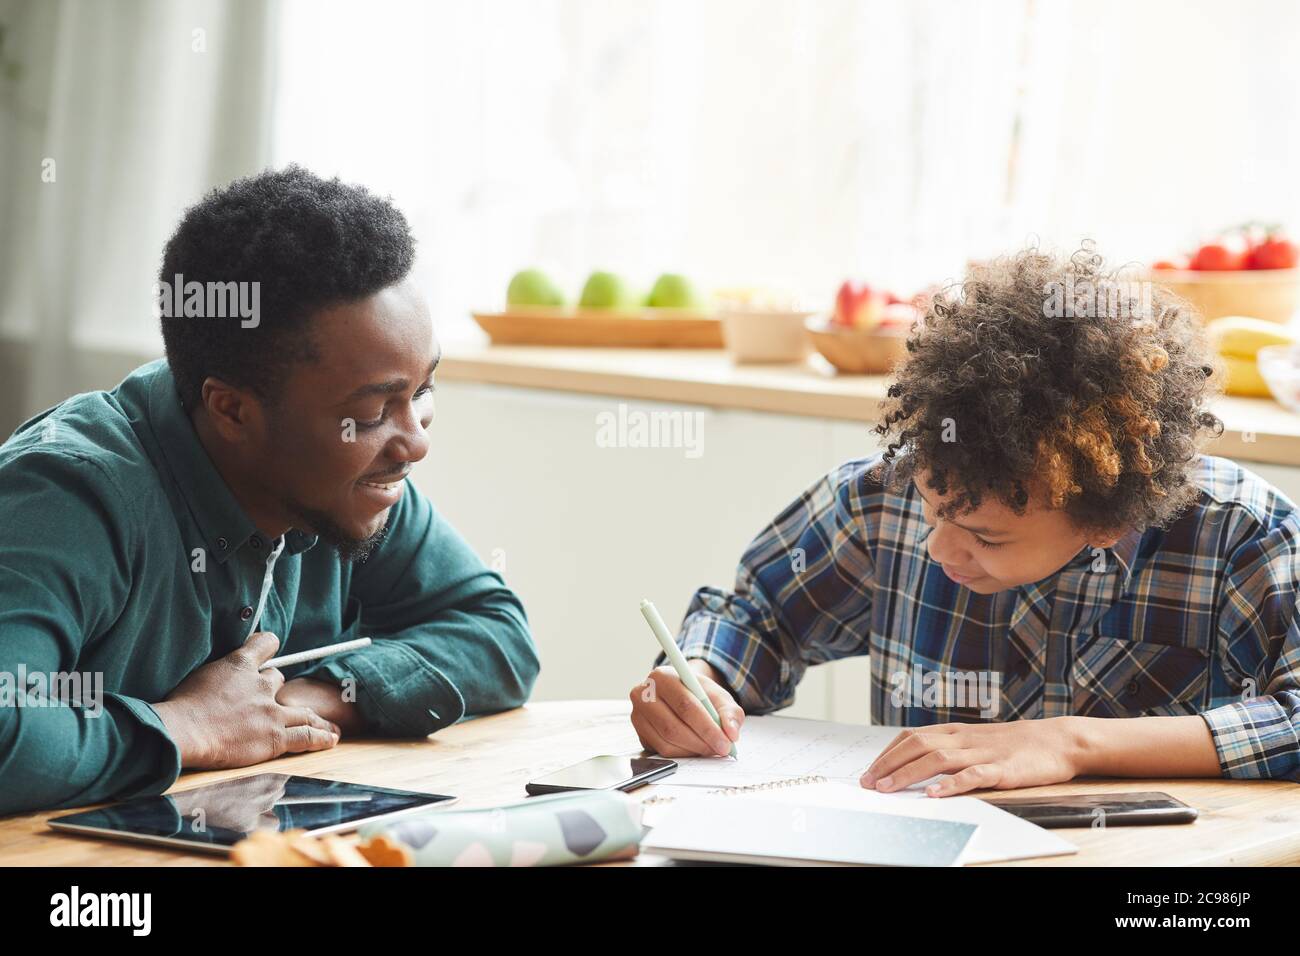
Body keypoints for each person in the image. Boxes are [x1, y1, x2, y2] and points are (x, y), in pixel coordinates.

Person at [630, 246, 1300, 796]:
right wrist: (698, 677)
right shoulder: (881, 499)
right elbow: (757, 618)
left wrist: (1070, 741)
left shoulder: (1239, 537)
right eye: (932, 505)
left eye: (985, 536)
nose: (938, 545)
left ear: (1104, 522)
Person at [0, 166, 539, 815]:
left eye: (421, 392)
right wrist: (188, 726)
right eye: (370, 413)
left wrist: (313, 695)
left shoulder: (353, 481)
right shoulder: (65, 497)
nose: (414, 442)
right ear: (231, 410)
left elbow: (496, 633)